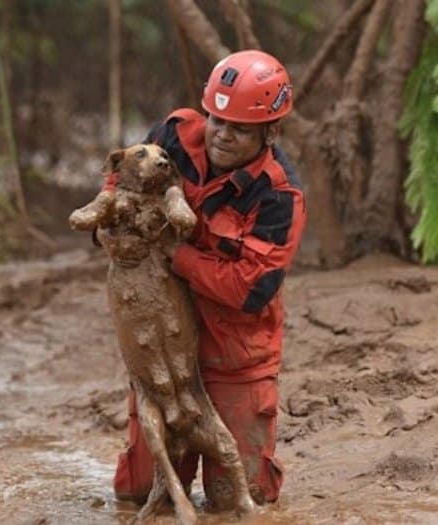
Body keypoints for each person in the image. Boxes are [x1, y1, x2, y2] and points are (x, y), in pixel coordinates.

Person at [109, 50, 307, 508]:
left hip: (235, 355)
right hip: (162, 345)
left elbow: (249, 288)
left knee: (238, 500)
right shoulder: (172, 137)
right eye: (217, 119)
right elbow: (122, 181)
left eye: (239, 128)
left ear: (269, 132)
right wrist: (112, 217)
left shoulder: (279, 196)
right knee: (141, 495)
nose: (221, 135)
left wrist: (175, 254)